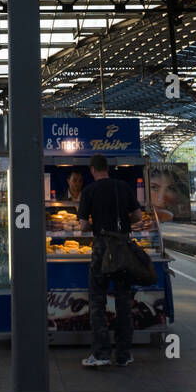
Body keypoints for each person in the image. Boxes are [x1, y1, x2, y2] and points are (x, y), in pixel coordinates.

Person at [76, 154, 143, 368]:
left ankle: (102, 354)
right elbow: (138, 217)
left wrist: (94, 220)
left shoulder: (88, 191)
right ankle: (124, 354)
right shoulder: (123, 187)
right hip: (123, 246)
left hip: (101, 247)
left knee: (97, 299)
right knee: (124, 300)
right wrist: (125, 219)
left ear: (93, 170)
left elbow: (83, 226)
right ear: (108, 168)